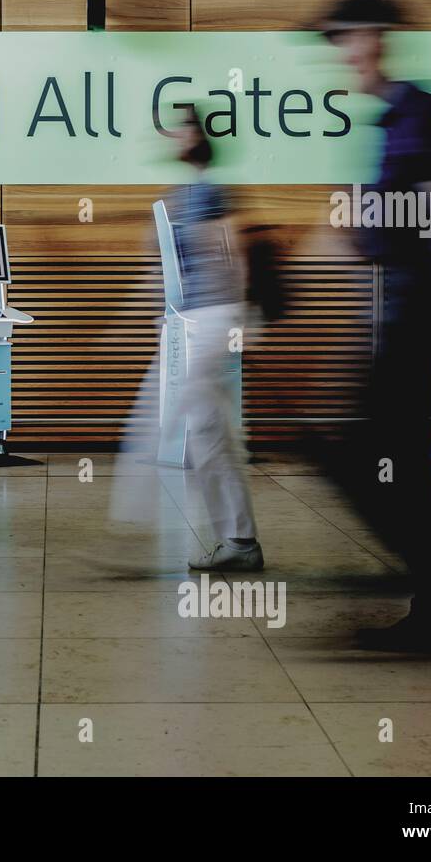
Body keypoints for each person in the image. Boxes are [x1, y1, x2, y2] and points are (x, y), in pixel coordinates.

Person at [316, 0, 431, 656]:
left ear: (374, 38)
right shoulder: (401, 119)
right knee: (387, 460)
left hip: (412, 322)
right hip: (407, 319)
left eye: (343, 38)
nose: (338, 54)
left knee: (375, 458)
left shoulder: (414, 119)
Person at [164, 107, 264, 572]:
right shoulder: (182, 194)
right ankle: (239, 539)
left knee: (206, 429)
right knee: (211, 429)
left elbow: (233, 250)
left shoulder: (208, 191)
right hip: (205, 319)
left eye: (181, 128)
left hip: (216, 319)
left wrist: (240, 316)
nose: (173, 136)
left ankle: (240, 541)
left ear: (197, 138)